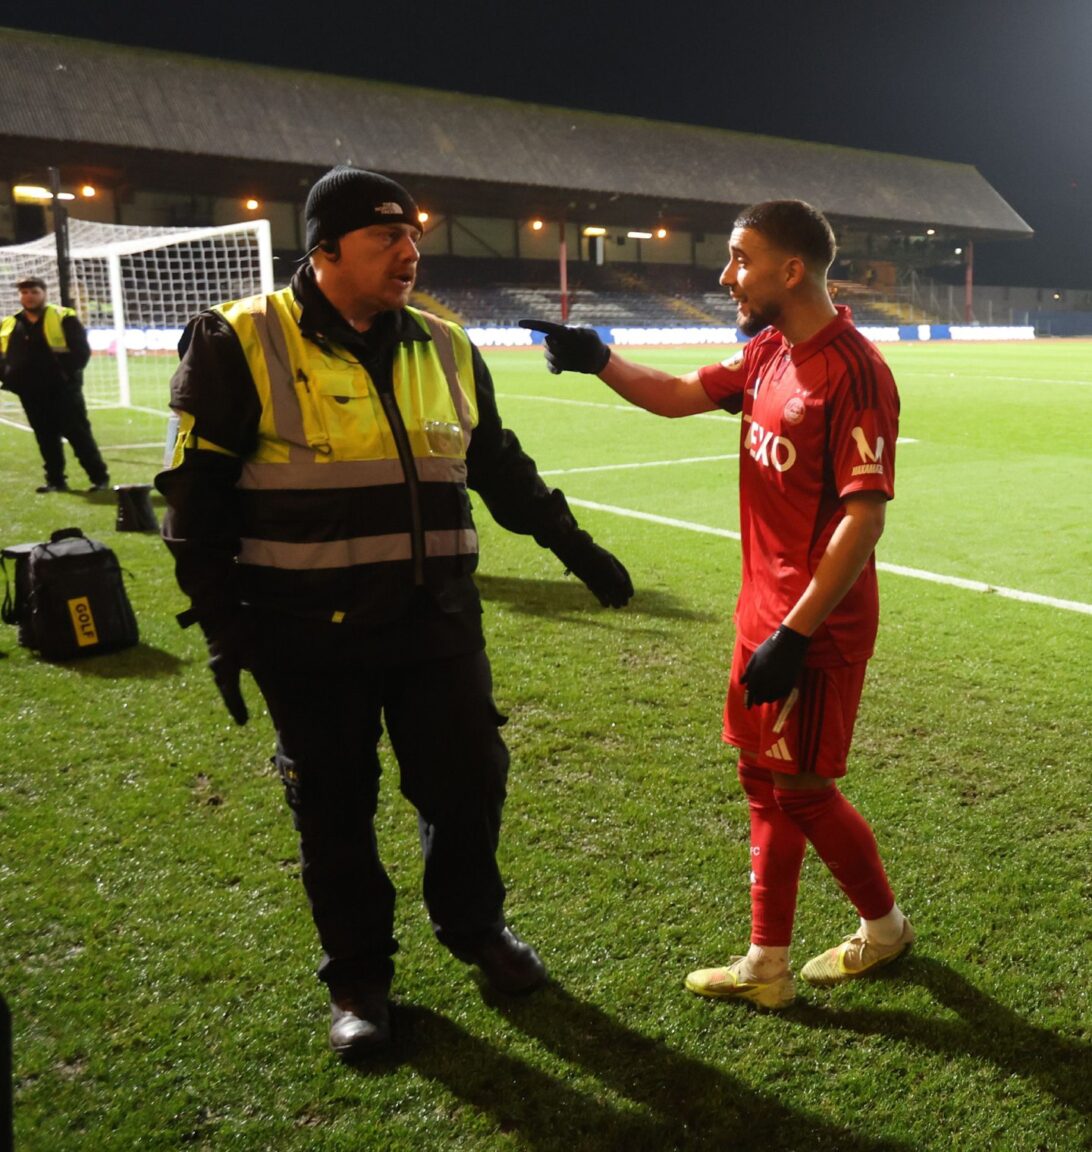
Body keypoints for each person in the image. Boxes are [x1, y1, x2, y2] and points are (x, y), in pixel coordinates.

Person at [155, 166, 633, 1058]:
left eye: (413, 235)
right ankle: (359, 979)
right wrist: (223, 625)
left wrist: (575, 547)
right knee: (334, 809)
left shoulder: (445, 343)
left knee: (470, 783)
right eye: (386, 237)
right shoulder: (239, 337)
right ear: (325, 248)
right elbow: (194, 496)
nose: (409, 252)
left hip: (436, 623)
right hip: (306, 631)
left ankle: (475, 927)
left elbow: (497, 465)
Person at [522, 199, 912, 1010]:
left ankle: (884, 930)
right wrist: (598, 358)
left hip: (814, 627)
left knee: (801, 788)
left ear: (791, 270)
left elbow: (863, 519)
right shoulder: (768, 350)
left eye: (740, 258)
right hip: (760, 615)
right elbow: (674, 394)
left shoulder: (855, 372)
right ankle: (767, 964)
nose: (726, 275)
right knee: (760, 779)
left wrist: (796, 634)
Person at [0, 276, 110, 493]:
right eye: (24, 292)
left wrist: (66, 377)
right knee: (45, 437)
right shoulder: (10, 323)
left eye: (34, 292)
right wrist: (8, 377)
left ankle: (99, 478)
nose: (29, 296)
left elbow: (81, 352)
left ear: (44, 293)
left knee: (78, 434)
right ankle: (55, 480)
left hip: (63, 391)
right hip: (30, 392)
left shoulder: (64, 318)